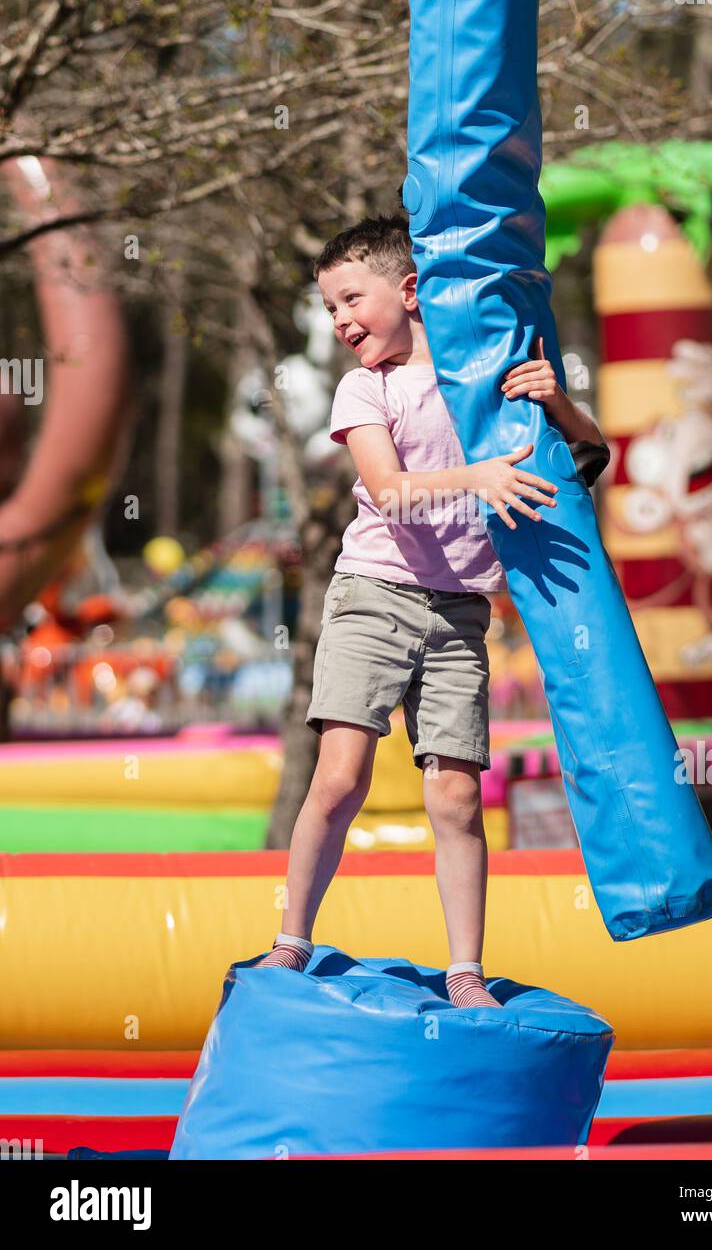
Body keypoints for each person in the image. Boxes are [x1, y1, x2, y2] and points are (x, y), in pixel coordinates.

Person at [257, 214, 610, 1006]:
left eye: (352, 300)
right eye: (330, 310)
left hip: (459, 615)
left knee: (455, 794)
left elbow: (588, 461)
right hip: (373, 595)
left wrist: (560, 405)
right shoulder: (366, 387)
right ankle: (291, 938)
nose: (342, 322)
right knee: (341, 774)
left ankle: (465, 970)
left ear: (410, 291)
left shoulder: (476, 375)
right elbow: (388, 492)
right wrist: (476, 480)